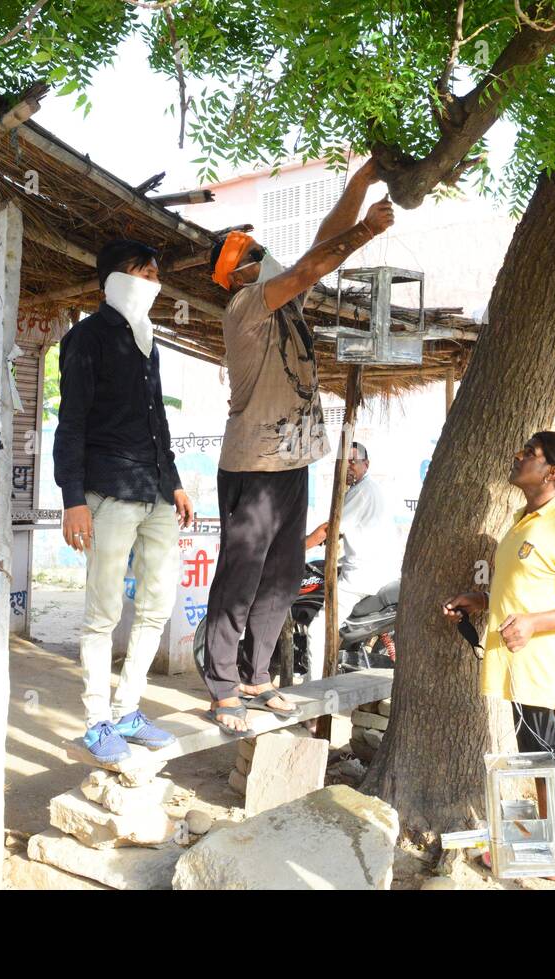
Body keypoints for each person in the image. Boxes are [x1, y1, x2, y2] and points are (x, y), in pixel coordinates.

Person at [201, 159, 395, 735]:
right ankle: (222, 684)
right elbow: (317, 260)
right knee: (241, 574)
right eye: (257, 254)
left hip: (288, 464)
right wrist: (367, 232)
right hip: (253, 466)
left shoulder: (280, 302)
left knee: (283, 577)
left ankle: (258, 677)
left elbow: (318, 246)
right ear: (241, 273)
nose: (268, 258)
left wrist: (360, 184)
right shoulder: (247, 308)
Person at [443, 432, 555, 889]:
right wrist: (480, 601)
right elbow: (527, 588)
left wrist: (535, 624)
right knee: (542, 771)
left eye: (529, 453)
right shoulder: (524, 519)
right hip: (523, 678)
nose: (517, 456)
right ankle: (554, 860)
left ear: (552, 472)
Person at [54, 238, 195, 764]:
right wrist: (73, 500)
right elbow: (71, 424)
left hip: (156, 490)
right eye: (141, 271)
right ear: (110, 279)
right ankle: (96, 722)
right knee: (102, 614)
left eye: (156, 273)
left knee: (156, 606)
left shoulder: (148, 340)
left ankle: (129, 709)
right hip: (108, 490)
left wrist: (175, 481)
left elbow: (158, 420)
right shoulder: (86, 339)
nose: (152, 281)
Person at [305, 441, 401, 678]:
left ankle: (313, 688)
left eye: (353, 461)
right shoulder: (370, 489)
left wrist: (299, 549)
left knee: (318, 631)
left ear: (365, 465)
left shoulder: (361, 491)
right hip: (381, 572)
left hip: (362, 576)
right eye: (343, 462)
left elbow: (329, 529)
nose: (348, 467)